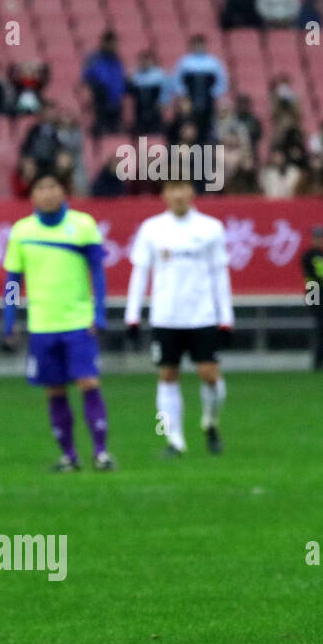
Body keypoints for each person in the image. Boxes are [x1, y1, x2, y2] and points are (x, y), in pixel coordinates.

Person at [2, 174, 115, 472]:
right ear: (33, 195)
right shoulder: (21, 231)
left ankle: (101, 453)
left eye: (53, 187)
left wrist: (99, 312)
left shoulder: (83, 225)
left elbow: (98, 272)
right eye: (41, 188)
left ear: (64, 191)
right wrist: (9, 318)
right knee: (54, 390)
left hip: (78, 321)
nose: (48, 193)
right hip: (42, 325)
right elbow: (13, 281)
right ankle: (69, 456)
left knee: (88, 382)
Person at [125, 177, 235, 457]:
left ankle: (210, 421)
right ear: (164, 194)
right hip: (166, 317)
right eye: (172, 189)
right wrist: (132, 315)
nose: (178, 195)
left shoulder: (210, 228)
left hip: (202, 315)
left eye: (183, 188)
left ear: (192, 193)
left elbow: (219, 274)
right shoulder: (152, 229)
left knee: (209, 375)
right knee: (167, 375)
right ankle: (173, 439)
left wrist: (227, 316)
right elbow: (140, 273)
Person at [301, 225, 323, 371]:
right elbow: (312, 277)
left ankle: (322, 358)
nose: (320, 240)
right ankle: (317, 359)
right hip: (314, 291)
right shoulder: (309, 255)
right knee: (319, 325)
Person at [82, 30, 126, 138]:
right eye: (111, 43)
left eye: (115, 43)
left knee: (115, 134)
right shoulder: (94, 58)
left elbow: (119, 79)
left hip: (115, 101)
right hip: (100, 100)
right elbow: (87, 76)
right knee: (101, 131)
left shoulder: (117, 60)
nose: (114, 46)